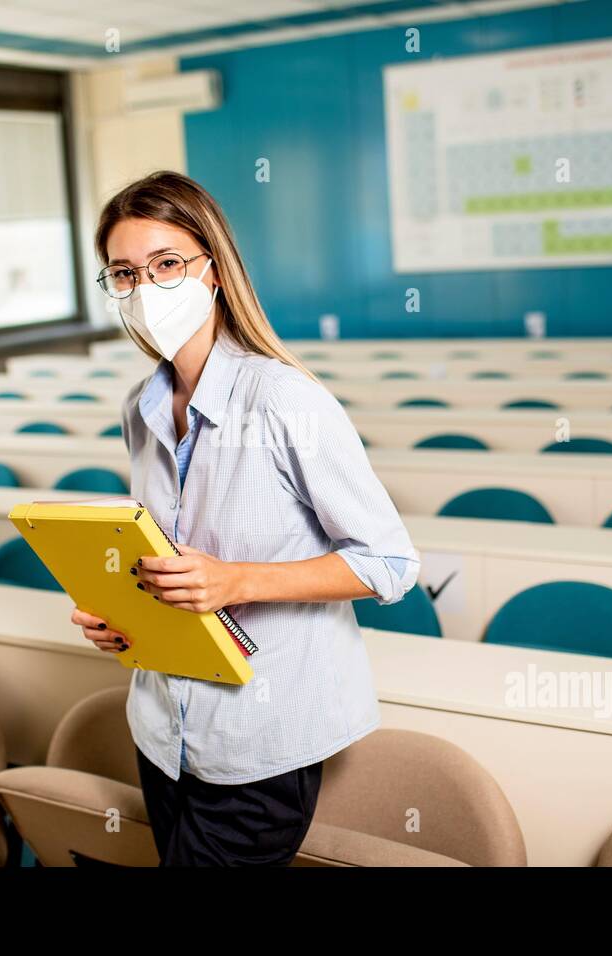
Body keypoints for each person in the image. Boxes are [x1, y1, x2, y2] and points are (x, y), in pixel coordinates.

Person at [70, 170, 419, 866]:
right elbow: (169, 558)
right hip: (162, 730)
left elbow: (390, 562)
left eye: (167, 264)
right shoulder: (140, 406)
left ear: (214, 271)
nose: (146, 289)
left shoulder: (286, 400)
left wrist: (236, 582)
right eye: (124, 274)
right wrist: (122, 613)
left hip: (258, 742)